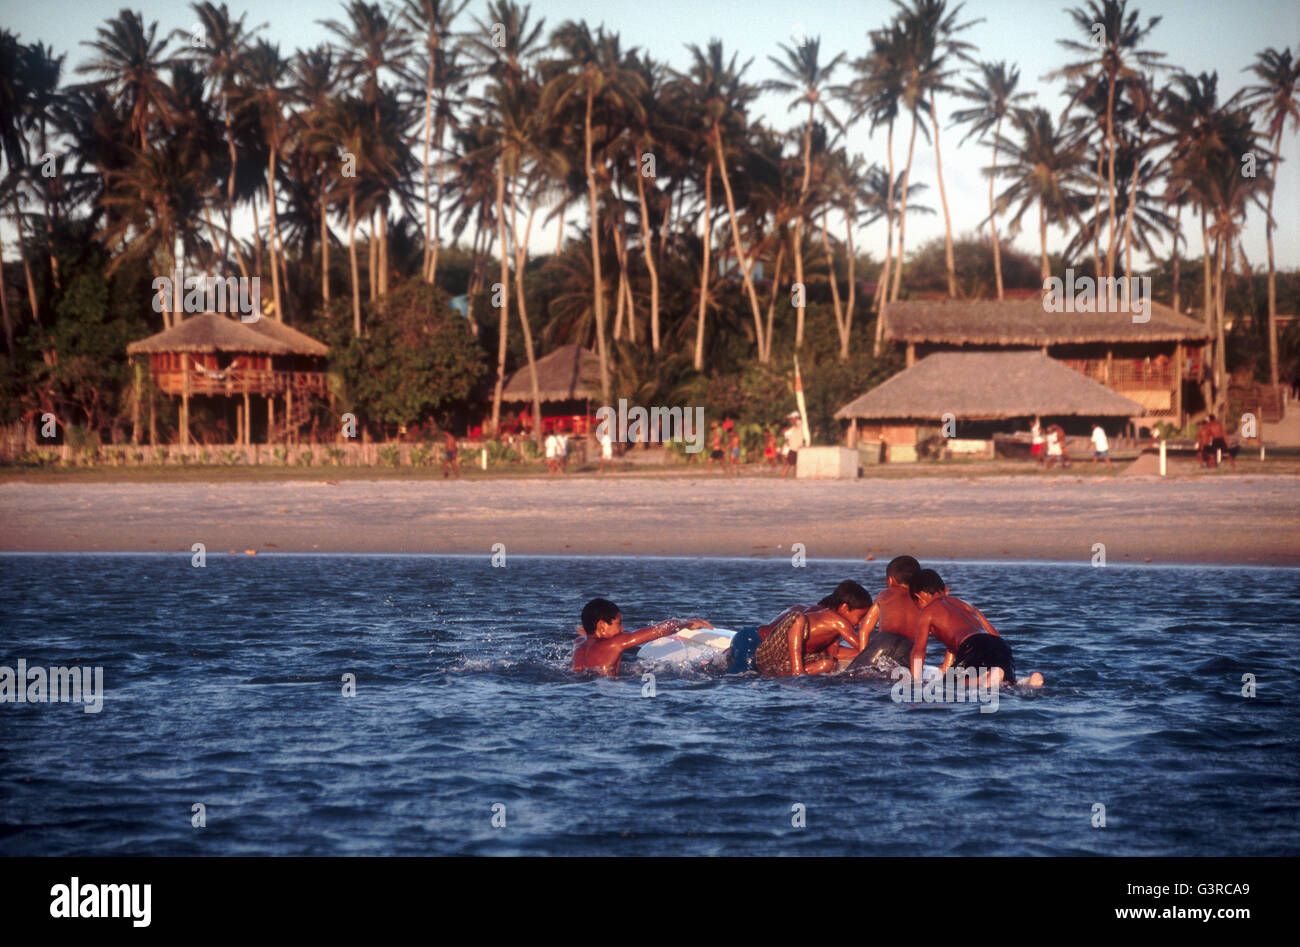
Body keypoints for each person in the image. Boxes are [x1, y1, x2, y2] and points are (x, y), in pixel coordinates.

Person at [907, 569, 1043, 689]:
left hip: (972, 647)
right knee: (1007, 684)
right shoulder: (966, 605)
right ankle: (1028, 682)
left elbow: (919, 651)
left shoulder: (927, 612)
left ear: (919, 596)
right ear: (945, 589)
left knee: (947, 683)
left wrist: (915, 682)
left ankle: (982, 679)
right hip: (999, 646)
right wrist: (946, 667)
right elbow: (994, 635)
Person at [751, 581, 873, 677]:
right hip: (771, 651)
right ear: (845, 608)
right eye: (861, 617)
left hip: (779, 662)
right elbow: (863, 647)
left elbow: (835, 653)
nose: (862, 622)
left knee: (828, 663)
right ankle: (797, 671)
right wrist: (865, 632)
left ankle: (778, 675)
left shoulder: (835, 630)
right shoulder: (837, 621)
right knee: (798, 619)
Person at [571, 598, 713, 676]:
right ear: (601, 626)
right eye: (618, 624)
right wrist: (687, 623)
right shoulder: (614, 643)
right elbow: (659, 630)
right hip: (606, 688)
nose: (623, 629)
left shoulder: (579, 642)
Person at [845, 555, 923, 674]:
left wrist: (863, 656)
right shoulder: (921, 600)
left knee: (854, 675)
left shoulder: (884, 595)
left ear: (891, 580)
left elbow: (864, 630)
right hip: (909, 647)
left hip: (884, 640)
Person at [780, 412, 804, 479]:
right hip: (794, 446)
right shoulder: (797, 424)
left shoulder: (799, 422)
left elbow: (795, 423)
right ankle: (794, 477)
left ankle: (783, 476)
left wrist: (790, 419)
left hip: (795, 446)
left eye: (792, 418)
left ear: (796, 417)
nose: (791, 420)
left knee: (789, 463)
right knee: (795, 464)